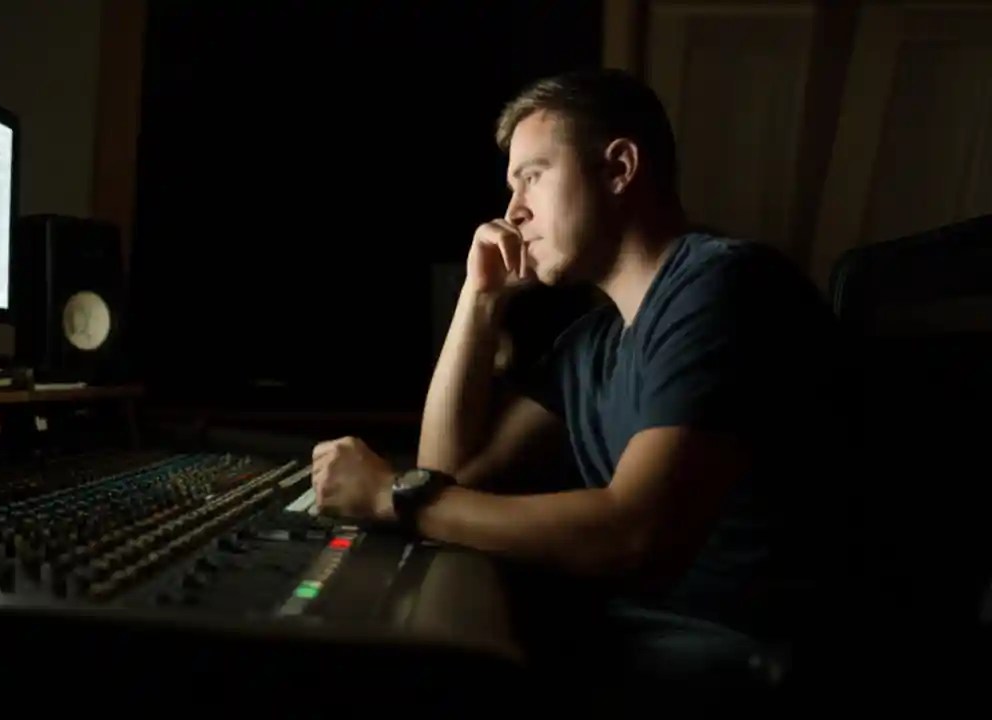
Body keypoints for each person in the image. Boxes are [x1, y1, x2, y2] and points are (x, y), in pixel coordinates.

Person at [309, 68, 855, 709]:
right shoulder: (593, 343)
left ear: (619, 167)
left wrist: (393, 499)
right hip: (648, 634)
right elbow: (449, 474)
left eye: (532, 176)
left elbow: (635, 535)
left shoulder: (723, 288)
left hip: (748, 658)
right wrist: (478, 299)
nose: (512, 211)